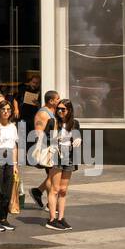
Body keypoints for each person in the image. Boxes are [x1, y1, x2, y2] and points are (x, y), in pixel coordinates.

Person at [49, 99, 82, 231]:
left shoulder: (74, 123)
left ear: (69, 110)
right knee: (55, 189)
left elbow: (77, 136)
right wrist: (52, 142)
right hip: (56, 156)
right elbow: (43, 137)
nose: (60, 111)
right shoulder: (53, 122)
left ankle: (61, 218)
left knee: (63, 190)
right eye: (58, 109)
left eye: (63, 109)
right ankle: (52, 219)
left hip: (69, 156)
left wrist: (79, 138)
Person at [29, 90, 62, 213]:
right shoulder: (43, 113)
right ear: (51, 101)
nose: (59, 100)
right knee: (52, 176)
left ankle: (38, 192)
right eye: (57, 99)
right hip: (47, 148)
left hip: (53, 147)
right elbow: (39, 132)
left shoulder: (52, 112)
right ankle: (50, 203)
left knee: (52, 175)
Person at [0, 100, 18, 232]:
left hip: (9, 159)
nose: (6, 112)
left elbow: (14, 146)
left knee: (7, 190)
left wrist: (16, 164)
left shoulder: (13, 126)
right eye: (3, 109)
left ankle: (3, 218)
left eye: (8, 110)